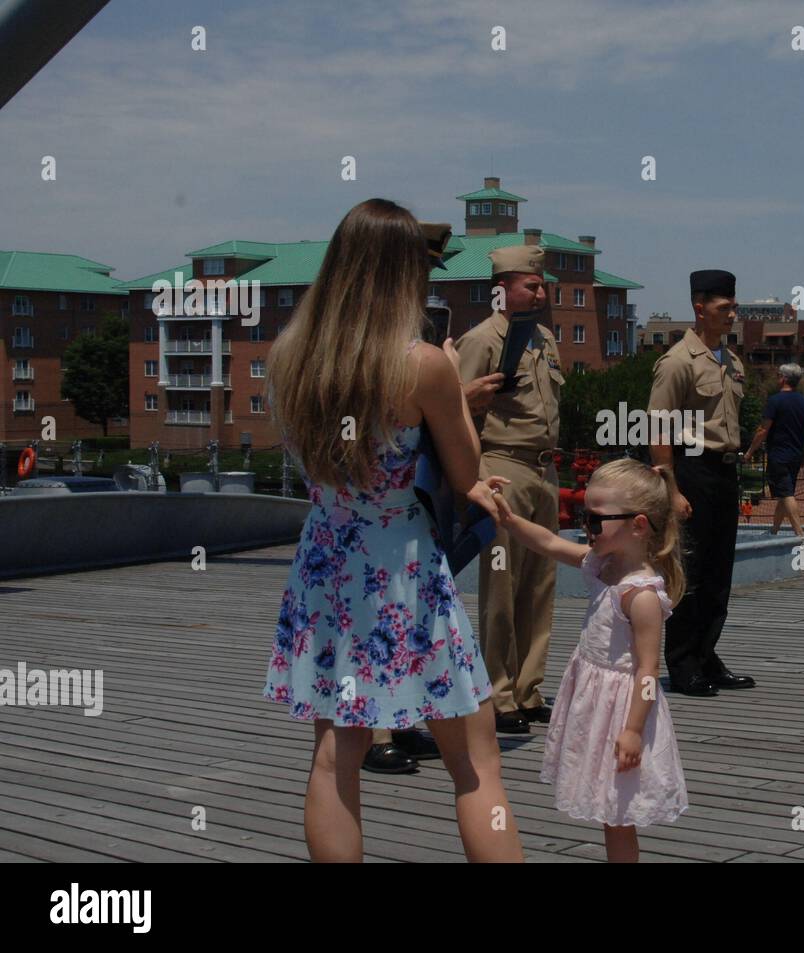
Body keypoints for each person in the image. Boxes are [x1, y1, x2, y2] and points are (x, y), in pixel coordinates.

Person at [262, 198, 523, 862]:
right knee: (475, 761)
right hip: (403, 569)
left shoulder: (291, 356)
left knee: (333, 757)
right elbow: (466, 475)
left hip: (325, 564)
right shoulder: (423, 365)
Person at [490, 459, 688, 862]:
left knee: (618, 812)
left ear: (638, 525)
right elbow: (547, 542)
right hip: (594, 700)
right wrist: (509, 521)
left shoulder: (641, 595)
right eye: (585, 515)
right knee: (607, 808)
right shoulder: (603, 564)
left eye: (595, 520)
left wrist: (633, 731)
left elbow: (648, 672)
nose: (586, 527)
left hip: (621, 710)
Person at [455, 245, 564, 733]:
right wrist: (472, 477)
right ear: (503, 289)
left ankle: (528, 689)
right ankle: (498, 695)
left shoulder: (543, 338)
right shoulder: (481, 340)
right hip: (502, 467)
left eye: (541, 285)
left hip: (545, 471)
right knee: (501, 587)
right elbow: (456, 415)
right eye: (531, 285)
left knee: (539, 584)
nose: (540, 292)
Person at [647, 269, 755, 697]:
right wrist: (671, 490)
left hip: (725, 472)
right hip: (691, 470)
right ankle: (683, 663)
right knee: (687, 572)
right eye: (723, 307)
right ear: (699, 307)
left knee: (717, 573)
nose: (732, 314)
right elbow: (657, 430)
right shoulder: (677, 362)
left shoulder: (729, 361)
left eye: (733, 307)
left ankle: (707, 654)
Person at [742, 363, 804, 542]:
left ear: (783, 378)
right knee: (784, 493)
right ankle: (774, 530)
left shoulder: (775, 401)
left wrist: (749, 452)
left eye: (777, 375)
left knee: (787, 494)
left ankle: (800, 536)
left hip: (779, 455)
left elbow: (763, 430)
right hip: (796, 455)